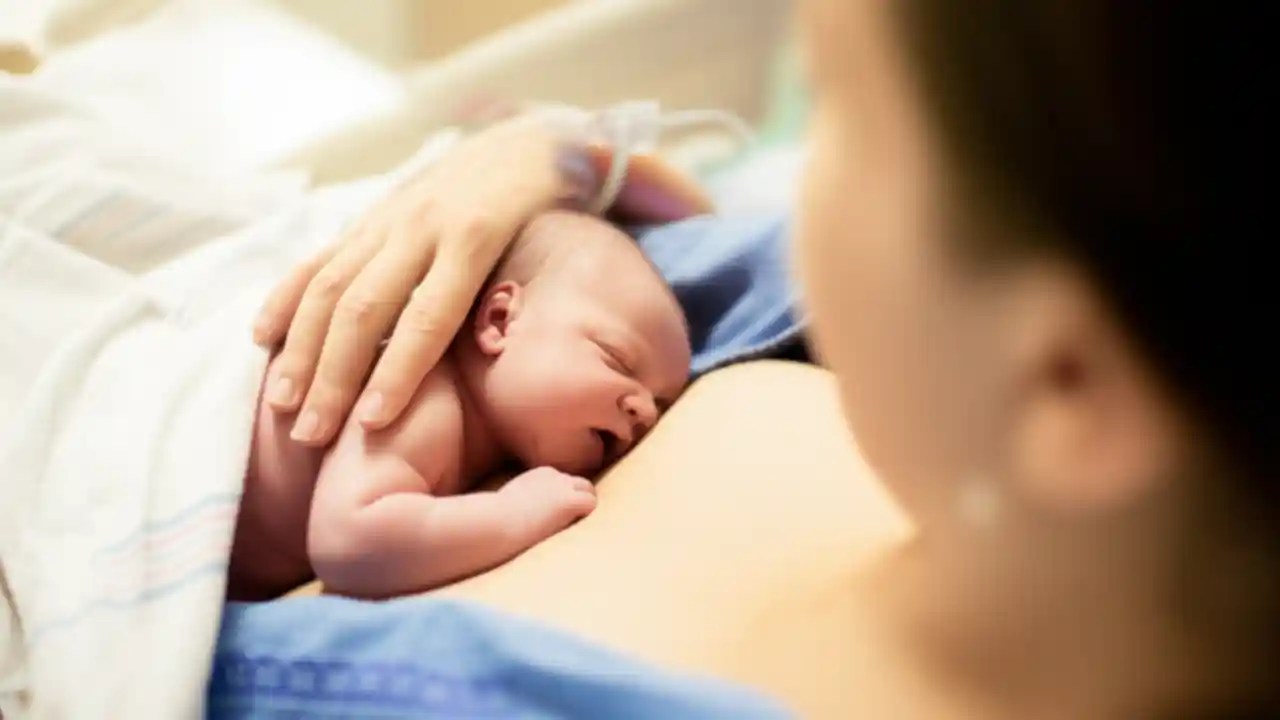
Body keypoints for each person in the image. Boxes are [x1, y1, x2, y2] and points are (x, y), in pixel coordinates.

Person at [261, 1, 1276, 717]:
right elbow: (648, 237)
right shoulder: (941, 383)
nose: (787, 212)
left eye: (838, 109)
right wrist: (551, 156)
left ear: (1071, 387)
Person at [231, 210, 690, 600]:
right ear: (500, 320)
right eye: (618, 360)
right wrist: (512, 515)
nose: (645, 411)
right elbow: (350, 540)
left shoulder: (482, 428)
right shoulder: (423, 392)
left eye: (660, 402)